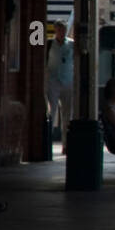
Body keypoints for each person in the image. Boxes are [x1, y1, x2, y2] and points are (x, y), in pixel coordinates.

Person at [45, 20, 75, 150]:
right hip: (53, 81)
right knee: (51, 112)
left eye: (63, 29)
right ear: (55, 30)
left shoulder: (72, 44)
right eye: (59, 29)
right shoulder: (49, 44)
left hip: (68, 81)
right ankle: (47, 143)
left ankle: (66, 144)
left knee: (68, 114)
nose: (61, 32)